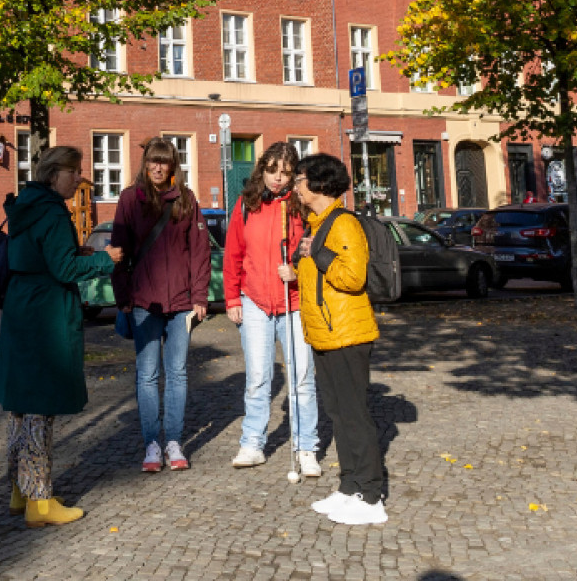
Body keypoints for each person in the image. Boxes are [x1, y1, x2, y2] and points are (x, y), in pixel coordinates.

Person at [0, 146, 123, 528]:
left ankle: (21, 490)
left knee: (20, 406)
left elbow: (44, 254)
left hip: (22, 308)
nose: (79, 177)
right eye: (74, 171)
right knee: (38, 408)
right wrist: (104, 259)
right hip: (44, 314)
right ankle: (40, 503)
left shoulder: (27, 203)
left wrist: (74, 251)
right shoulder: (51, 210)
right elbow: (64, 269)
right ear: (54, 174)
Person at [290, 153, 386, 525]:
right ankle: (350, 487)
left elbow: (352, 277)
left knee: (354, 415)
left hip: (347, 333)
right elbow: (321, 278)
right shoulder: (320, 223)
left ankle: (371, 495)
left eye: (300, 180)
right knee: (338, 414)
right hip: (327, 333)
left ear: (318, 184)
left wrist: (317, 252)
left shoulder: (342, 223)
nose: (296, 187)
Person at [110, 137, 210, 473]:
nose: (157, 167)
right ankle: (152, 443)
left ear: (172, 166)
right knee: (147, 375)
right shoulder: (129, 199)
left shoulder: (187, 199)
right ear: (145, 163)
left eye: (164, 161)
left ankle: (174, 441)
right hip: (143, 301)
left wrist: (199, 296)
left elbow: (199, 250)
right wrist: (122, 297)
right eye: (153, 161)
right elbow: (118, 251)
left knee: (178, 374)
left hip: (181, 302)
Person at [224, 141, 319, 475]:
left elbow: (315, 253)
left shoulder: (301, 207)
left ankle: (306, 446)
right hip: (255, 301)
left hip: (293, 303)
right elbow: (233, 252)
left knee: (302, 377)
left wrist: (297, 272)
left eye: (286, 173)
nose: (278, 179)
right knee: (258, 378)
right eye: (272, 171)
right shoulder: (247, 205)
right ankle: (252, 443)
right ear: (261, 170)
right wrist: (232, 297)